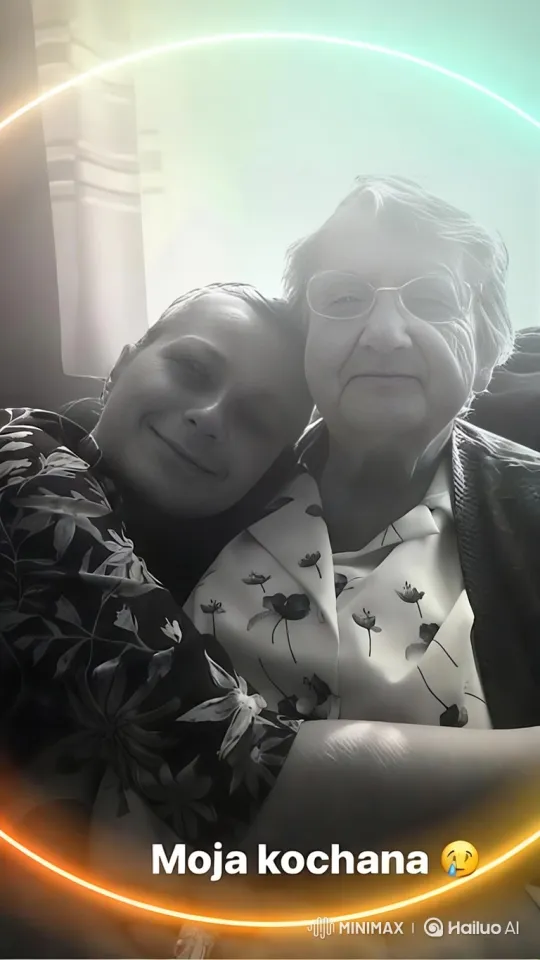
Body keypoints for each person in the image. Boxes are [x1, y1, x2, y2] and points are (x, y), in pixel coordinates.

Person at [185, 178, 540, 865]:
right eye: (343, 299)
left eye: (433, 299)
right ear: (305, 339)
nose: (384, 333)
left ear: (491, 344)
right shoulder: (210, 469)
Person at [0, 282, 314, 958]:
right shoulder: (22, 458)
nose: (209, 416)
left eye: (258, 420)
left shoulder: (204, 575)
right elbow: (217, 750)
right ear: (119, 365)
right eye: (194, 370)